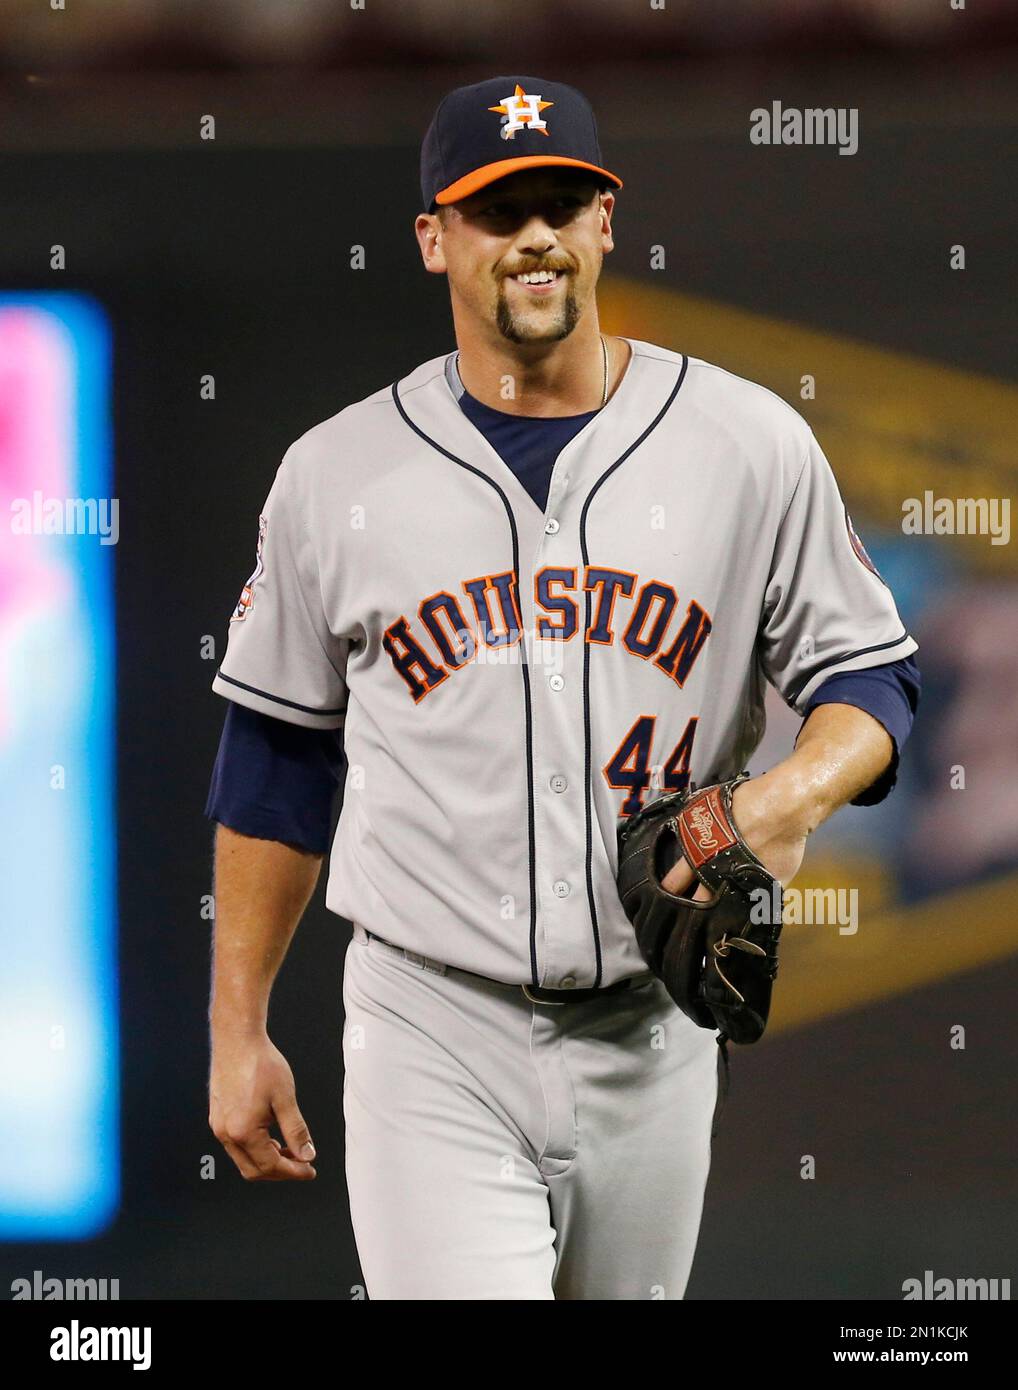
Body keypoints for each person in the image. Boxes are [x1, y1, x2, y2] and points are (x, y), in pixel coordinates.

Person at [206, 76, 920, 1300]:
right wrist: (239, 1026)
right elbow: (275, 761)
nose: (533, 234)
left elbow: (875, 682)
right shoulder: (335, 474)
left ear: (603, 224)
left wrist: (782, 799)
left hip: (652, 1020)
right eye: (496, 209)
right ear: (435, 238)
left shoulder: (746, 443)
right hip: (429, 1015)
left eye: (561, 201)